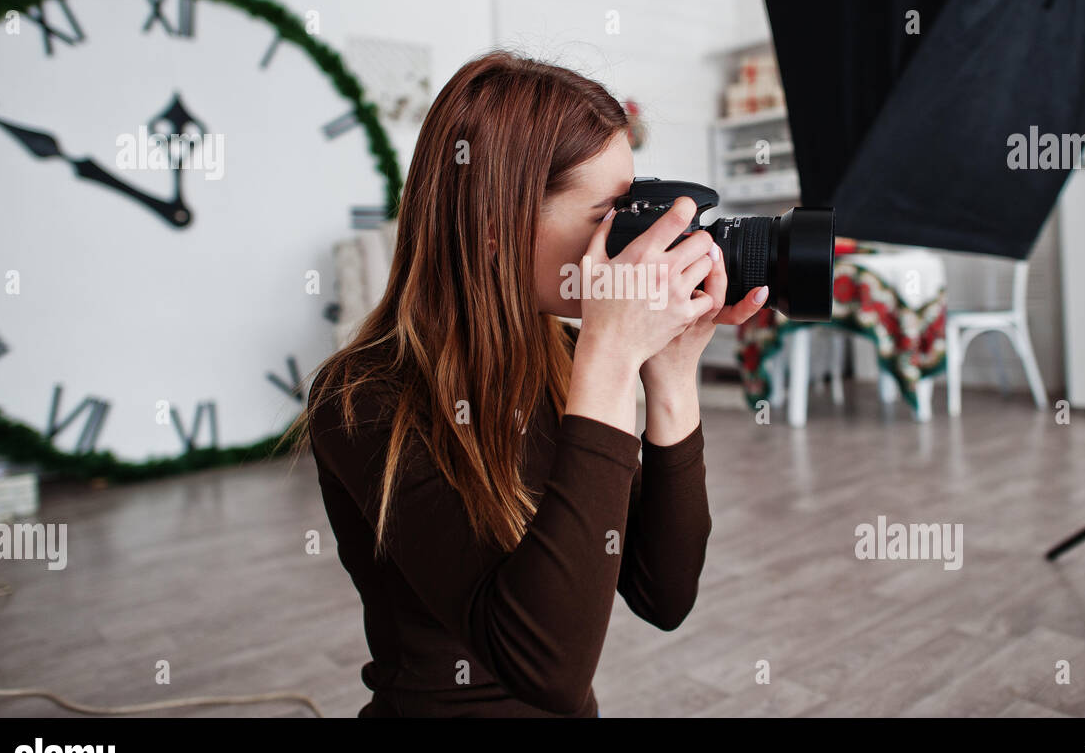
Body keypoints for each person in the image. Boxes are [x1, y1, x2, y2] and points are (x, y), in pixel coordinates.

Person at [282, 49, 767, 717]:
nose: (639, 239)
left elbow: (664, 594)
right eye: (611, 212)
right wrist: (609, 360)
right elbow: (549, 669)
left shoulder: (567, 356)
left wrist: (673, 377)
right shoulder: (362, 397)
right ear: (495, 230)